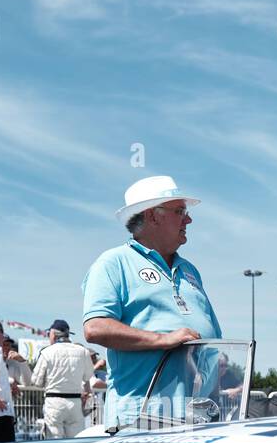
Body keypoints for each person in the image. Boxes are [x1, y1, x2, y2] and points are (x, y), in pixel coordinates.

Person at [83, 174, 222, 427]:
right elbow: (95, 328)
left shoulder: (190, 270)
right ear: (153, 216)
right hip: (142, 420)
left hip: (197, 419)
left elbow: (213, 341)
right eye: (180, 211)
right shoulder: (113, 262)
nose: (188, 219)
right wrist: (162, 339)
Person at [30, 319, 96, 439]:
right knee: (76, 442)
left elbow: (36, 381)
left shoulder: (47, 352)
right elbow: (87, 376)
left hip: (53, 403)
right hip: (75, 403)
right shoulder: (83, 352)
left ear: (54, 334)